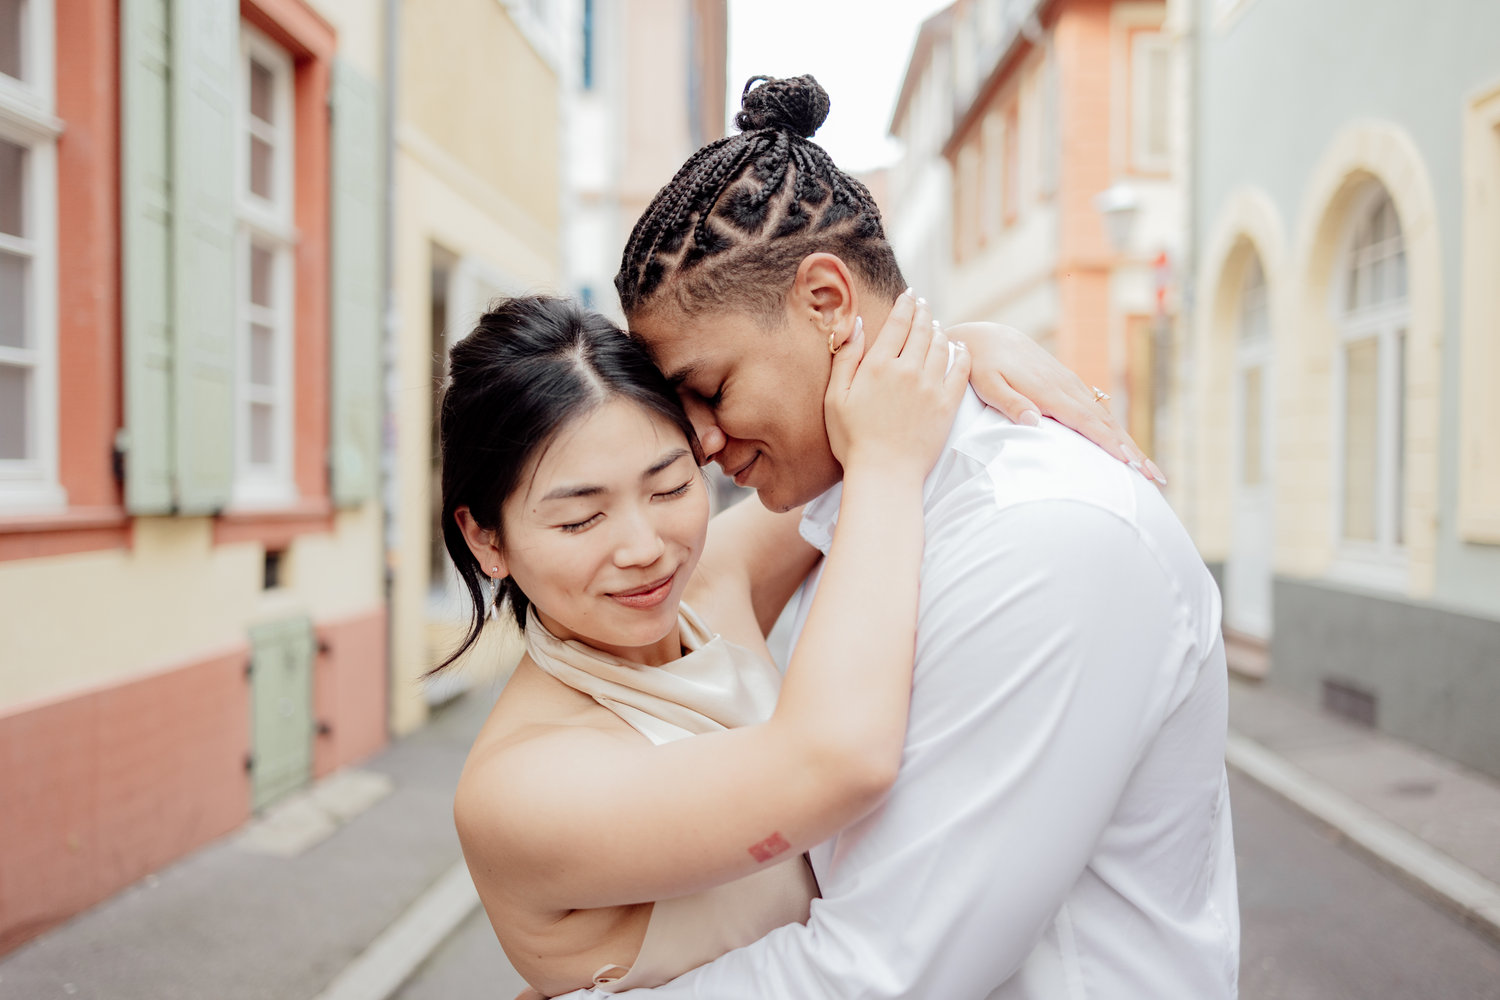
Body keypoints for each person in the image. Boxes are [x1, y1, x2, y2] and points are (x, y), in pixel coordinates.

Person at [552, 75, 1239, 999]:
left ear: (829, 303)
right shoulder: (847, 504)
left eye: (709, 390)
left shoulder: (1044, 542)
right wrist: (951, 354)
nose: (703, 444)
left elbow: (882, 973)